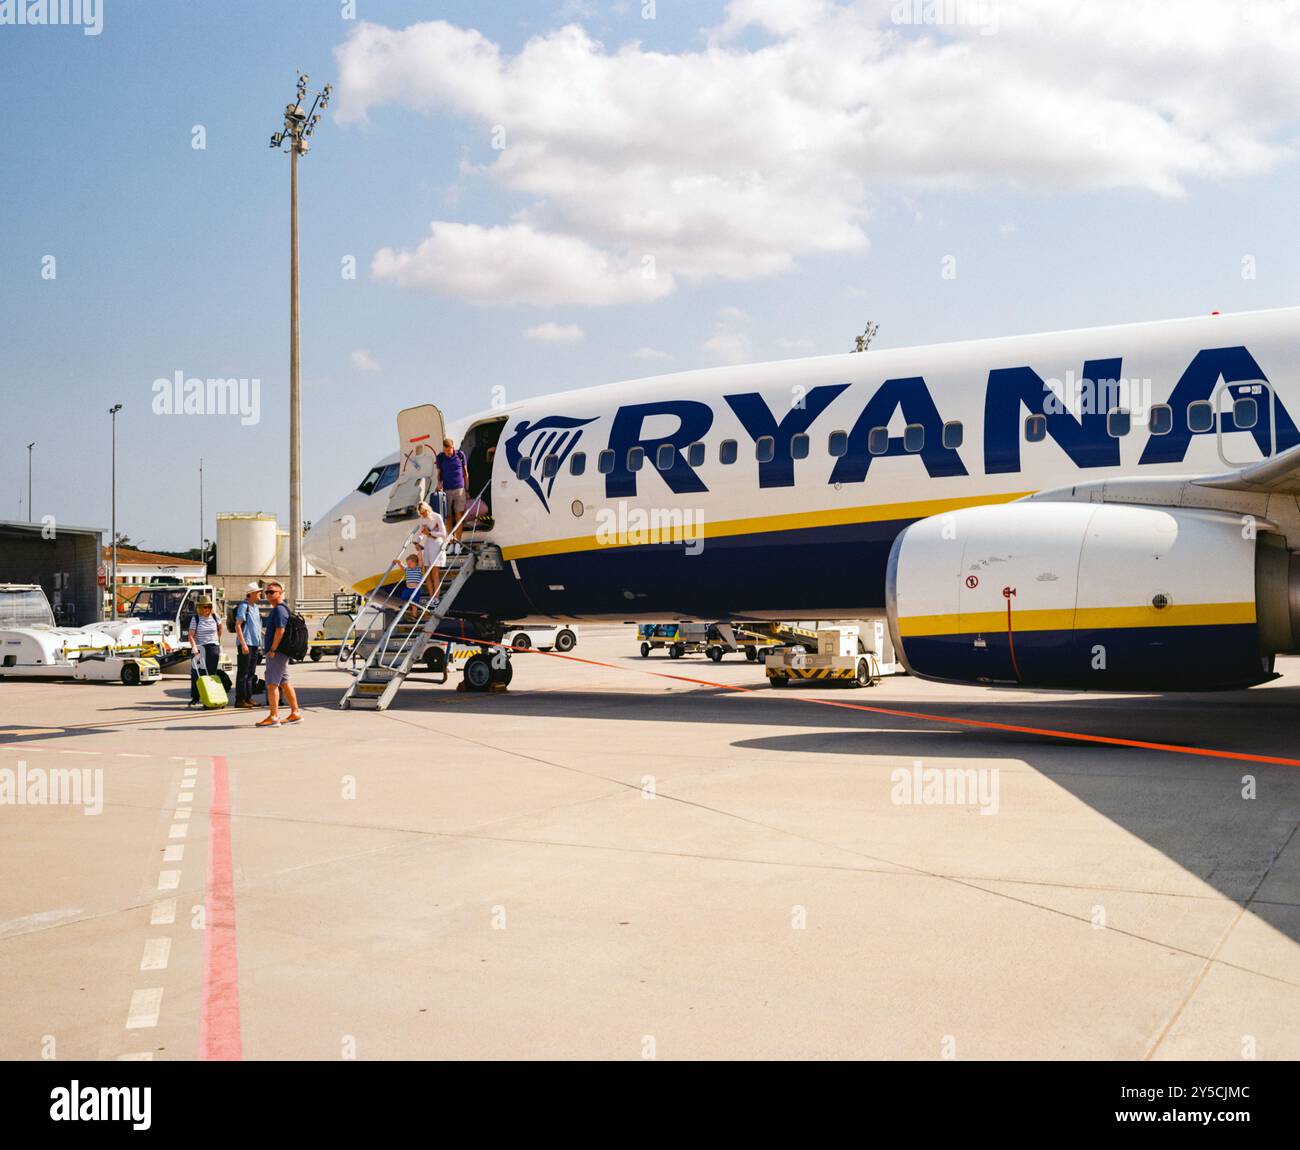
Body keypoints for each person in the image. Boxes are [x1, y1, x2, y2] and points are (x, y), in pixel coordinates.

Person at [257, 581, 302, 727]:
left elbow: (280, 630)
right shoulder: (280, 609)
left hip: (277, 653)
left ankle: (274, 716)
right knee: (284, 682)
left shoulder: (279, 610)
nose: (268, 594)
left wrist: (273, 650)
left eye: (272, 592)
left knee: (271, 684)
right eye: (267, 592)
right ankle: (295, 713)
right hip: (281, 652)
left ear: (280, 593)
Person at [187, 597, 223, 706]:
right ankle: (195, 697)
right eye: (202, 607)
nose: (205, 609)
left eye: (207, 606)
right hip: (200, 647)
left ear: (210, 607)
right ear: (199, 607)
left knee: (211, 674)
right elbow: (191, 635)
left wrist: (217, 640)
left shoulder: (215, 617)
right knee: (197, 673)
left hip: (213, 647)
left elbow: (220, 629)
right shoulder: (196, 619)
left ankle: (209, 697)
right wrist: (194, 648)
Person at [233, 582, 263, 709]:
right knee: (243, 673)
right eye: (258, 592)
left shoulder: (255, 607)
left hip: (255, 644)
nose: (260, 594)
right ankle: (240, 699)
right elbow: (238, 625)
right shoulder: (244, 606)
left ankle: (248, 697)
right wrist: (243, 644)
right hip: (246, 644)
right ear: (251, 594)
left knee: (251, 672)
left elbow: (256, 625)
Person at [435, 437, 469, 543]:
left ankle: (458, 541)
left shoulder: (460, 455)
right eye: (445, 451)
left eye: (449, 450)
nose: (447, 453)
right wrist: (439, 484)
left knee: (459, 515)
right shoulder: (440, 457)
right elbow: (439, 473)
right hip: (447, 490)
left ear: (453, 447)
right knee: (448, 517)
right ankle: (450, 541)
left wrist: (467, 490)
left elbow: (465, 473)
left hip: (460, 489)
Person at [415, 499, 448, 600]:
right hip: (428, 545)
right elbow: (421, 533)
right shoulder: (422, 519)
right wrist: (417, 541)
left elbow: (443, 534)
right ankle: (431, 597)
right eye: (421, 514)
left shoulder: (437, 516)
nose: (423, 515)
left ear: (427, 510)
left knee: (435, 573)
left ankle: (436, 598)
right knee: (427, 574)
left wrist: (430, 533)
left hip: (436, 544)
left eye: (423, 513)